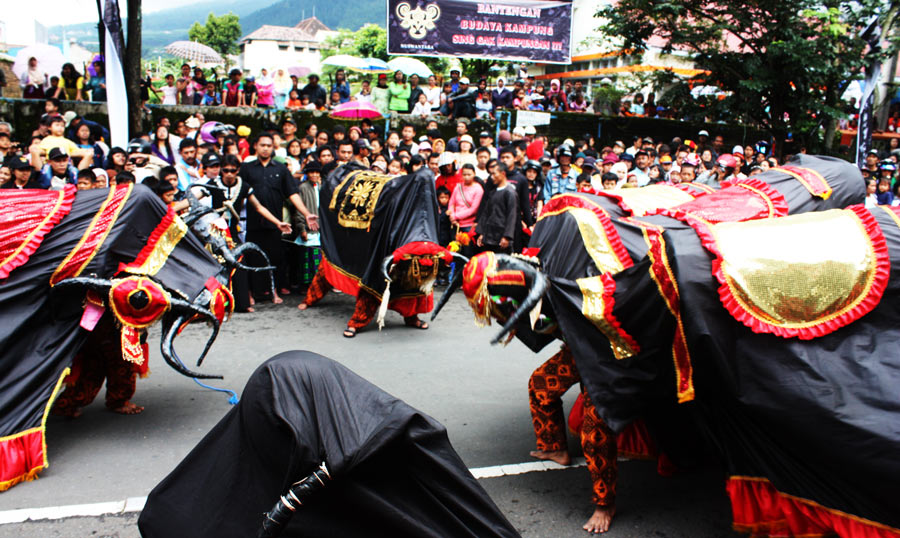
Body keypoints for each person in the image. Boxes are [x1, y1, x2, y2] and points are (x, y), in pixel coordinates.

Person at [240, 133, 318, 303]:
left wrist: (306, 214)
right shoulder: (247, 168)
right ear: (256, 146)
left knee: (275, 257)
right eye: (263, 145)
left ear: (273, 148)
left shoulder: (280, 169)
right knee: (252, 257)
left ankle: (273, 292)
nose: (266, 148)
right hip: (253, 222)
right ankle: (251, 294)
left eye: (269, 145)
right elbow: (239, 192)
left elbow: (292, 193)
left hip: (277, 223)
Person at [476, 162, 518, 254]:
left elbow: (512, 215)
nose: (492, 177)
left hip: (501, 236)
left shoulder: (509, 193)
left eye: (494, 173)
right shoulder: (493, 192)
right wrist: (482, 233)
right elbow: (486, 213)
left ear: (503, 174)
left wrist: (507, 237)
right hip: (489, 235)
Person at [448, 163, 484, 237]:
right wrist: (452, 216)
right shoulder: (458, 187)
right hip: (455, 223)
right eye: (464, 175)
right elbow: (452, 203)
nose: (466, 177)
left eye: (469, 175)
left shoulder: (478, 189)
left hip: (469, 225)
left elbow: (473, 209)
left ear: (474, 174)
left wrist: (456, 216)